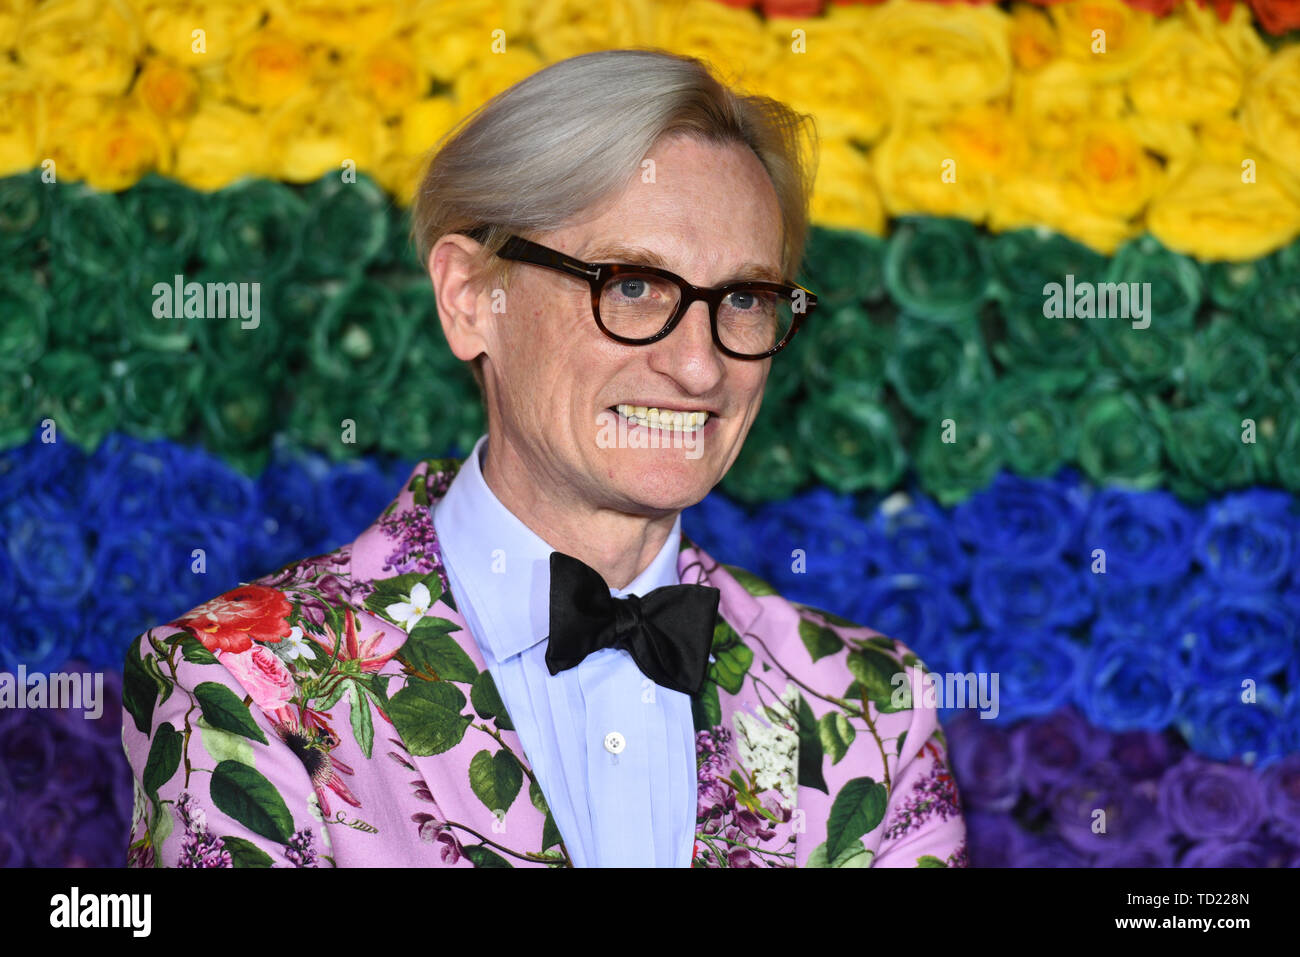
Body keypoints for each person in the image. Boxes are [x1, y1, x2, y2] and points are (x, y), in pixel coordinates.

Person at [121, 48, 967, 868]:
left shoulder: (870, 708)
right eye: (633, 284)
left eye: (744, 299)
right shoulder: (239, 682)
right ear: (468, 299)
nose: (702, 365)